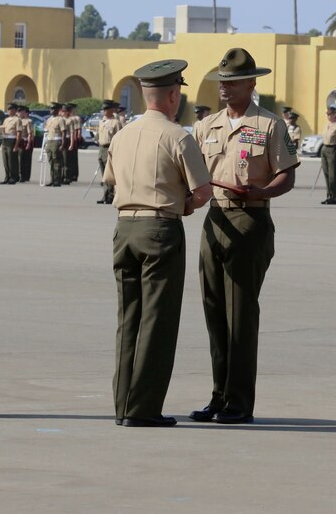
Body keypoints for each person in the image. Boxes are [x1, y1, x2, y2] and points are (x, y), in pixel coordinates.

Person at [190, 48, 299, 425]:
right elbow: (194, 174)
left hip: (250, 220)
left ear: (252, 83)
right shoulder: (207, 126)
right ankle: (219, 396)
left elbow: (287, 175)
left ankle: (239, 402)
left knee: (240, 316)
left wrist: (263, 192)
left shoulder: (270, 125)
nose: (224, 87)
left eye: (233, 81)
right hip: (214, 220)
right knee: (215, 314)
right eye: (222, 80)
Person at [104, 59, 212, 427]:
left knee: (129, 318)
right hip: (160, 229)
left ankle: (123, 404)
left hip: (124, 229)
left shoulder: (121, 135)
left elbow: (110, 179)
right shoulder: (177, 136)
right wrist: (184, 205)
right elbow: (203, 192)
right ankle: (144, 407)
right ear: (172, 95)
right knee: (158, 320)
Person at [96, 100, 121, 204]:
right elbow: (98, 136)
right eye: (103, 109)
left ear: (111, 110)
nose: (104, 111)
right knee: (103, 174)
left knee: (109, 174)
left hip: (110, 148)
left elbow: (119, 137)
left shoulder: (116, 122)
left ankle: (110, 195)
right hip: (102, 148)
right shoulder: (102, 122)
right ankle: (105, 194)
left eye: (106, 109)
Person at [43, 102, 66, 187]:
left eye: (53, 109)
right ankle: (52, 179)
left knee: (57, 161)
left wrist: (63, 144)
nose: (51, 110)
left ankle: (57, 180)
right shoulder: (49, 119)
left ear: (57, 110)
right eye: (50, 109)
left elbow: (63, 132)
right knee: (51, 161)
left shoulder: (60, 119)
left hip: (57, 141)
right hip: (49, 141)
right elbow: (46, 131)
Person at [0, 103, 20, 185]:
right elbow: (3, 130)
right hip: (5, 140)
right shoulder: (6, 119)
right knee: (5, 160)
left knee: (12, 160)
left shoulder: (17, 119)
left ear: (14, 110)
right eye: (8, 109)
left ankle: (13, 177)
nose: (9, 111)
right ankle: (7, 176)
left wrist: (16, 145)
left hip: (12, 140)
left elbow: (19, 134)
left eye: (10, 109)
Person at [17, 105, 35, 183]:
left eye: (20, 112)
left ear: (24, 112)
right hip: (19, 141)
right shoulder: (17, 120)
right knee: (19, 159)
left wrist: (28, 143)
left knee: (26, 160)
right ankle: (20, 175)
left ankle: (25, 176)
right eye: (18, 112)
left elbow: (30, 134)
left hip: (25, 141)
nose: (18, 113)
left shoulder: (28, 121)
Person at [65, 102, 81, 182]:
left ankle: (74, 174)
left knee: (73, 158)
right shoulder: (67, 118)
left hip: (74, 138)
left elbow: (78, 130)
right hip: (69, 137)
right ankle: (70, 174)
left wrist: (77, 138)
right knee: (69, 158)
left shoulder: (76, 118)